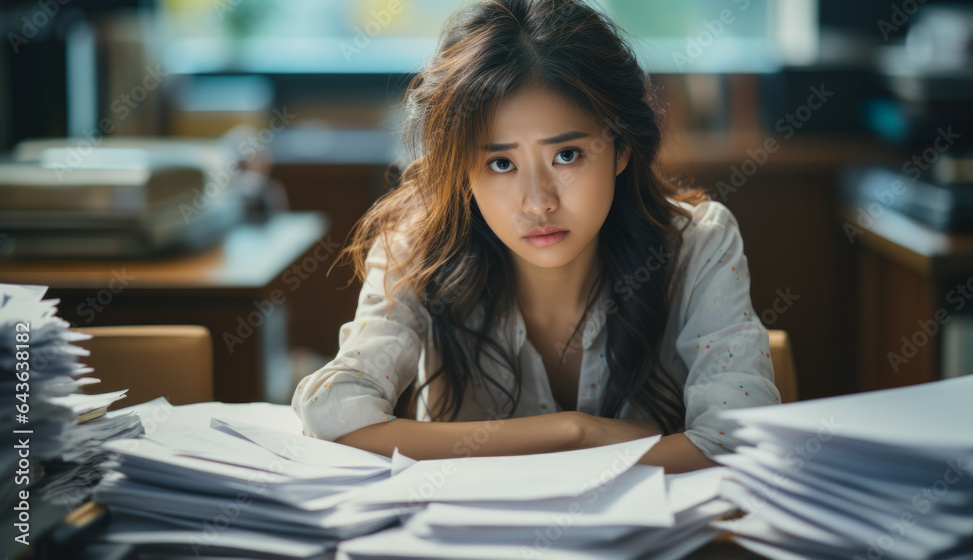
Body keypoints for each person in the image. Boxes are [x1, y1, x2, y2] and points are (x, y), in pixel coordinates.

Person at [292, 0, 780, 473]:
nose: (538, 202)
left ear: (621, 149)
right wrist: (574, 433)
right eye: (500, 163)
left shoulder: (698, 245)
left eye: (566, 155)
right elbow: (333, 412)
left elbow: (738, 442)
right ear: (462, 170)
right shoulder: (417, 252)